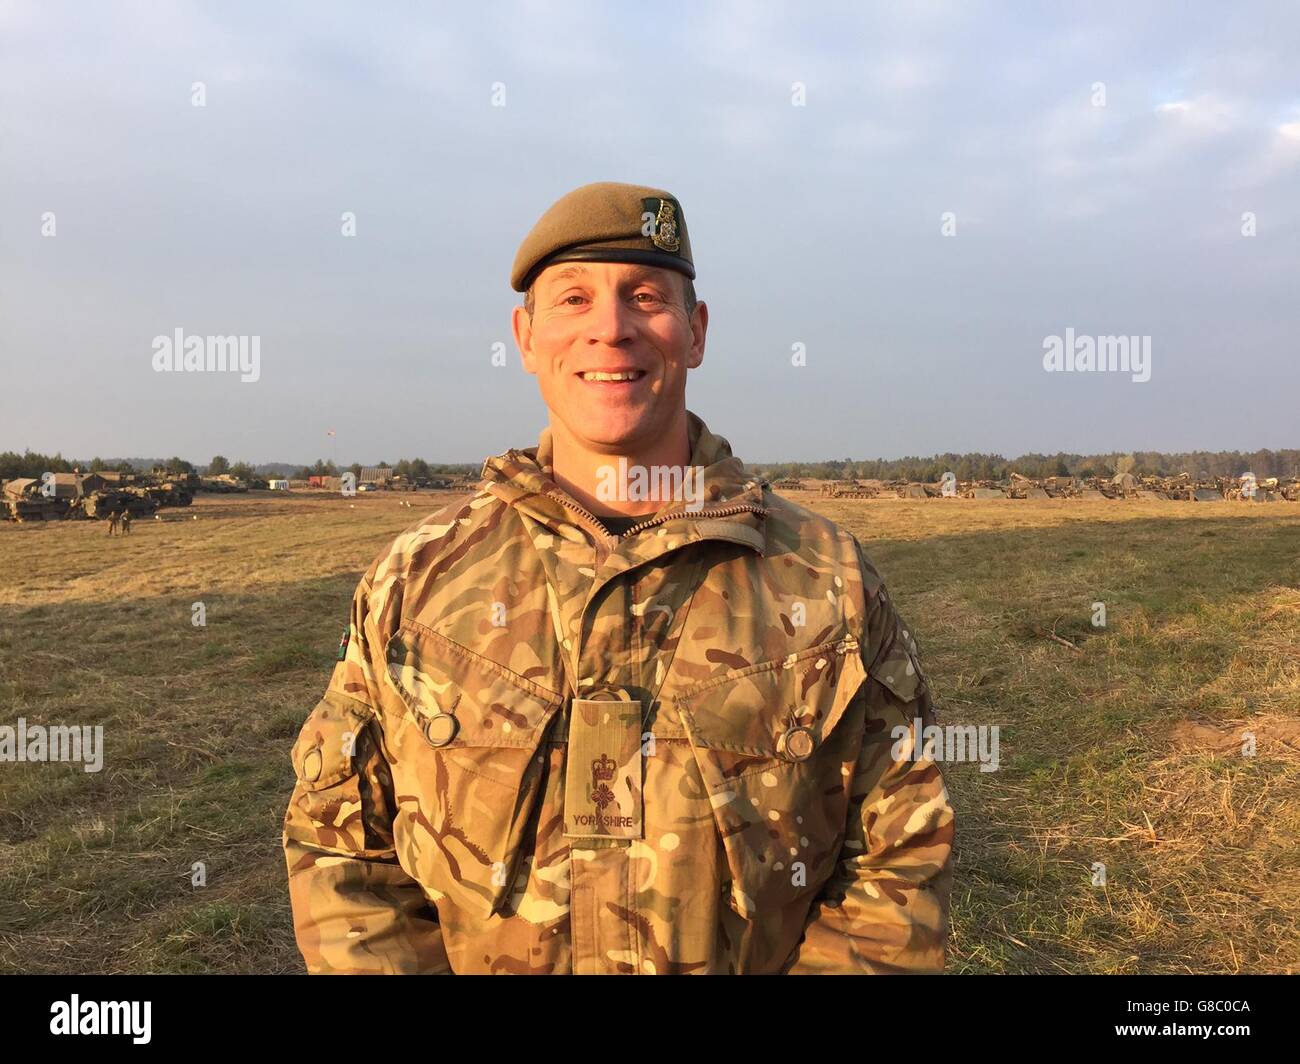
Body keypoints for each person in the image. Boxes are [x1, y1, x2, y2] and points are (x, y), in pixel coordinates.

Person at [283, 182, 954, 975]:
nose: (610, 328)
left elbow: (898, 864)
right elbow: (340, 846)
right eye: (573, 298)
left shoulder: (827, 582)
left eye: (644, 296)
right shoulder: (417, 581)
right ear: (526, 338)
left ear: (695, 333)